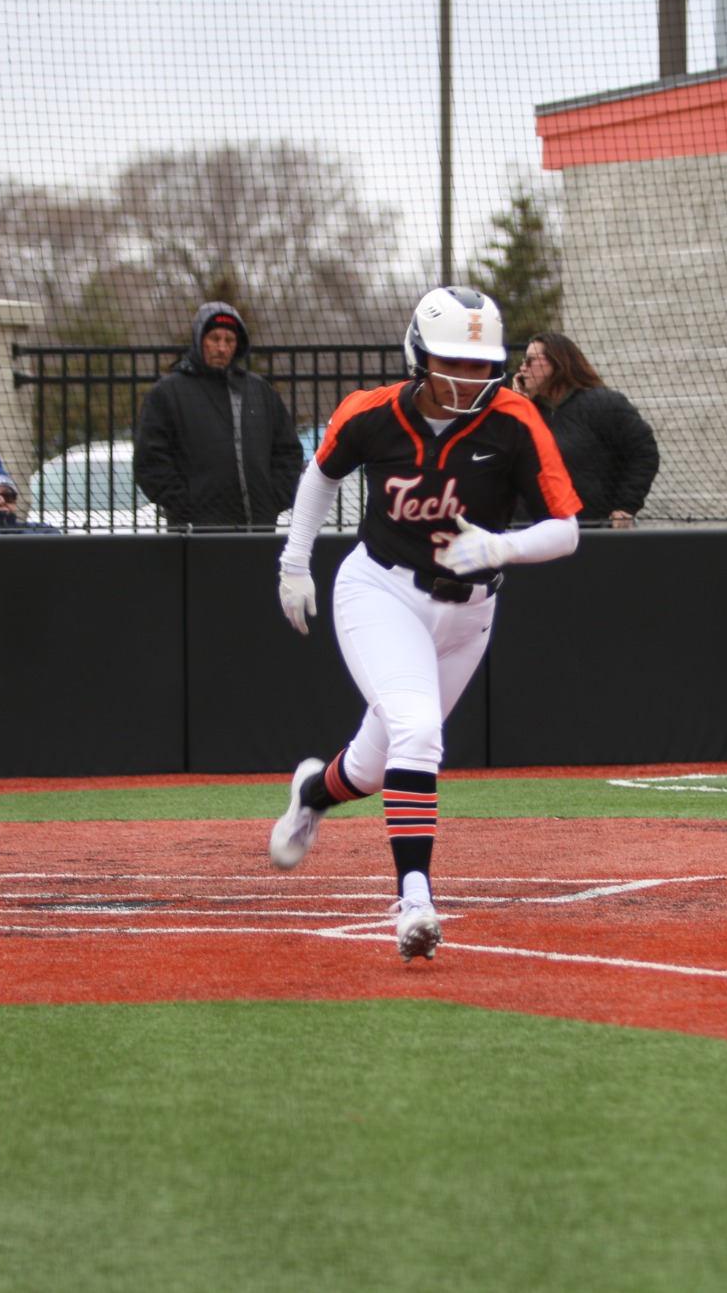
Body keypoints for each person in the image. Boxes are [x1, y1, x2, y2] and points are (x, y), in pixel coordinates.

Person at [268, 287, 581, 960]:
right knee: (418, 730)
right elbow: (320, 476)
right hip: (381, 589)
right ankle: (415, 899)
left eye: (480, 363)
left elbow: (567, 531)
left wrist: (504, 546)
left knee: (378, 763)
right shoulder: (372, 413)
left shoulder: (514, 418)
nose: (468, 377)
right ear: (418, 353)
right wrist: (295, 563)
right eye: (452, 361)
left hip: (469, 613)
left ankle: (313, 791)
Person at [134, 302, 304, 530]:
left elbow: (288, 451)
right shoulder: (168, 392)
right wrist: (185, 504)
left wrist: (274, 498)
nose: (222, 348)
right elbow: (149, 461)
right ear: (199, 339)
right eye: (215, 339)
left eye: (229, 340)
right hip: (196, 534)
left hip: (259, 529)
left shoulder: (259, 391)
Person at [511, 332, 658, 527]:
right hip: (530, 532)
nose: (523, 368)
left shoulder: (604, 403)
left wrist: (625, 507)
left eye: (530, 361)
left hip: (589, 530)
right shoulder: (522, 410)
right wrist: (519, 406)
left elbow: (644, 452)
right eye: (523, 361)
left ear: (558, 362)